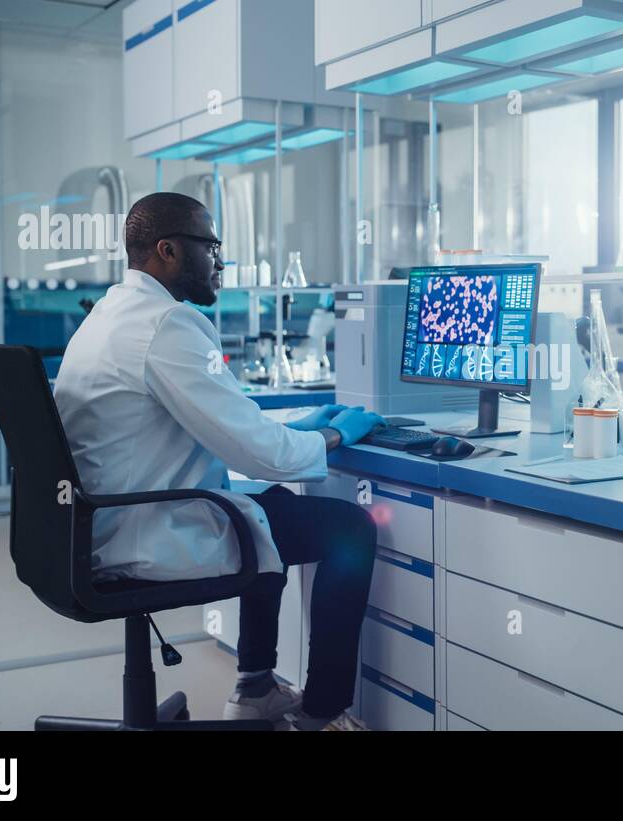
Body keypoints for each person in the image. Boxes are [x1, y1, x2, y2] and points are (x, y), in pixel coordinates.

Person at [54, 192, 384, 731]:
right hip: (145, 532)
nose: (221, 260)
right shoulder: (166, 325)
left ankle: (255, 685)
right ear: (167, 251)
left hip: (96, 524)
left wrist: (291, 431)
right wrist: (331, 434)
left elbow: (221, 428)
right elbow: (260, 453)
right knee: (347, 529)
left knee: (267, 507)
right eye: (211, 246)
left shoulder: (113, 313)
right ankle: (324, 712)